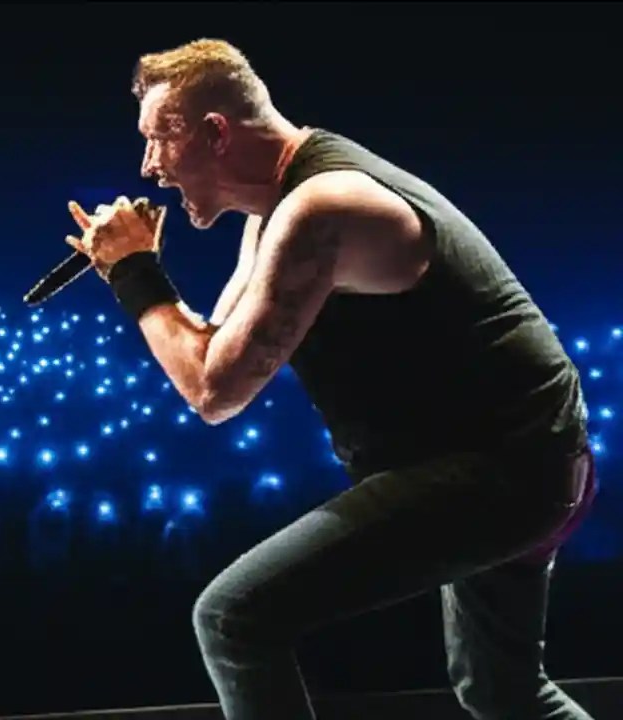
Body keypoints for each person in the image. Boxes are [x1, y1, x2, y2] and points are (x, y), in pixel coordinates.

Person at [64, 38, 597, 720]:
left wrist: (134, 272)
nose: (149, 167)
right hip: (536, 460)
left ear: (216, 133)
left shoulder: (323, 210)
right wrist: (137, 271)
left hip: (504, 471)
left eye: (158, 141)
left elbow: (212, 393)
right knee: (503, 691)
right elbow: (210, 353)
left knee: (234, 620)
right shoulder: (275, 212)